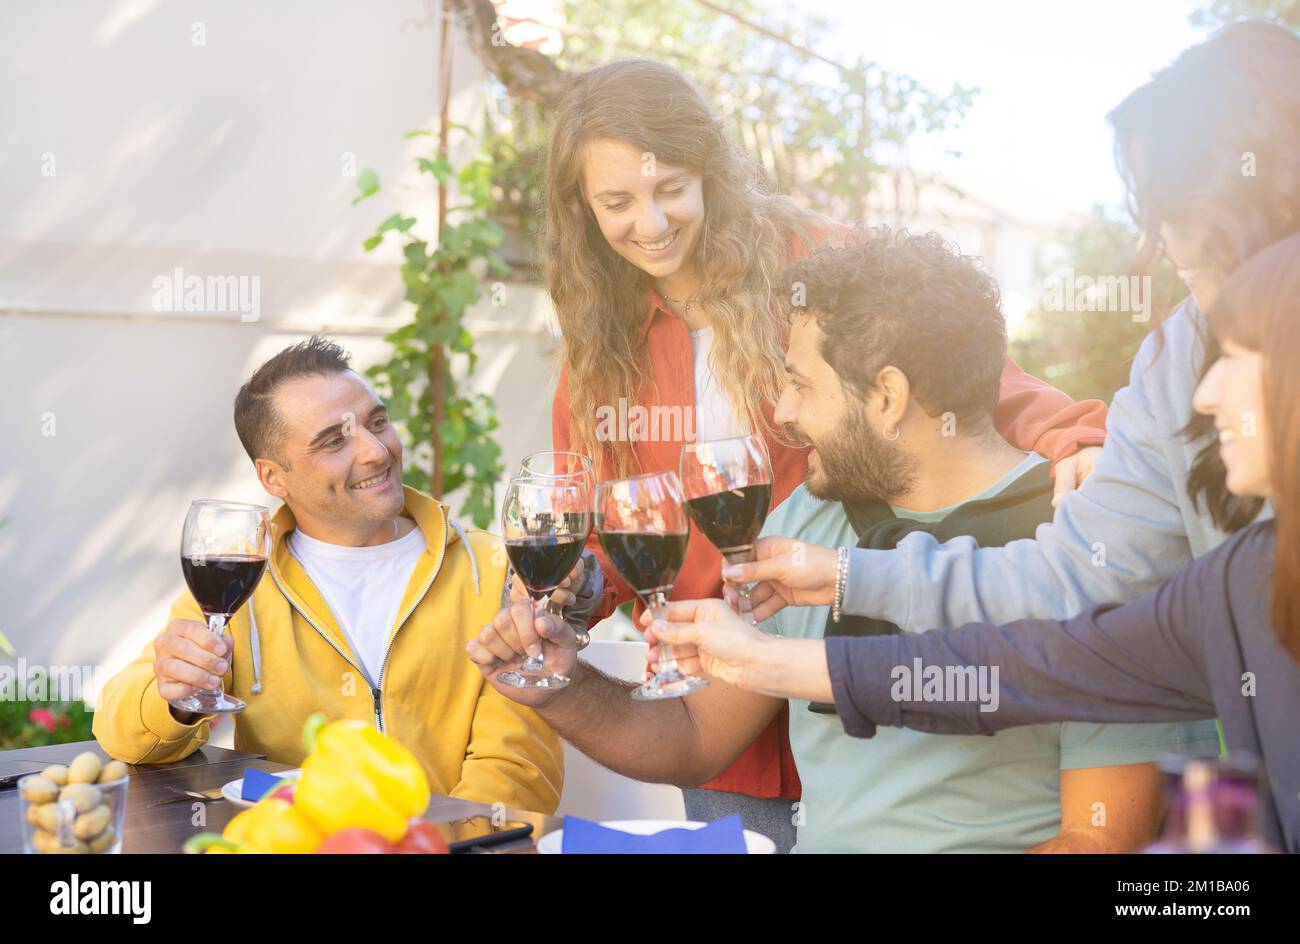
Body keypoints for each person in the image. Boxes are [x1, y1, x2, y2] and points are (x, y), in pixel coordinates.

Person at [469, 233, 1214, 852]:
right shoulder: (805, 528)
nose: (782, 414)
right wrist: (561, 683)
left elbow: (1102, 842)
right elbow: (694, 738)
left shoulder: (1084, 543)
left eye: (800, 385)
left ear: (886, 397)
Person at [541, 56, 1110, 846]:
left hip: (857, 630)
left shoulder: (814, 260)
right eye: (616, 202)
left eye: (670, 187)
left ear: (709, 168)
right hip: (720, 698)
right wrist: (571, 595)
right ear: (583, 209)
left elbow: (950, 376)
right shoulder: (599, 349)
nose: (652, 222)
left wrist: (1073, 436)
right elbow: (609, 539)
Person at [645, 233, 1300, 854]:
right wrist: (830, 593)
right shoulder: (1234, 578)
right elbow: (1020, 668)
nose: (1202, 396)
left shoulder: (1191, 575)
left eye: (1233, 362)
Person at [714, 20, 1300, 652]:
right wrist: (849, 579)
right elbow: (1078, 579)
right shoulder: (1175, 358)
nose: (1158, 244)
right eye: (1149, 212)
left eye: (1178, 209)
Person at [94, 337, 582, 814]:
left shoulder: (494, 569)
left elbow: (518, 768)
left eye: (378, 422)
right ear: (272, 477)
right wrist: (175, 699)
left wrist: (427, 848)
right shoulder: (246, 583)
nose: (375, 451)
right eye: (334, 441)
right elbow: (121, 732)